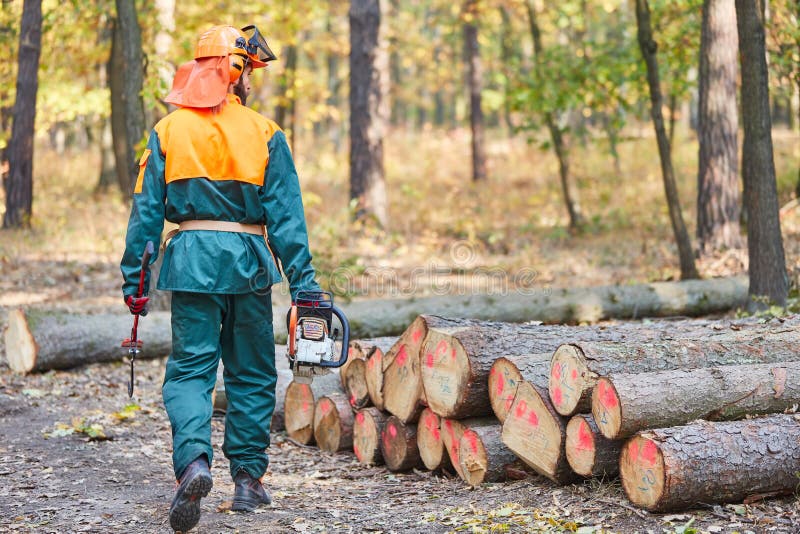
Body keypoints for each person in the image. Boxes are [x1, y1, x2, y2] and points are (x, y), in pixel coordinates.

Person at [120, 24, 320, 532]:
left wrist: (136, 282)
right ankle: (248, 482)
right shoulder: (265, 133)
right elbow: (287, 220)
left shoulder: (168, 131)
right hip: (250, 263)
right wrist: (305, 286)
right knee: (251, 373)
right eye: (248, 70)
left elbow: (145, 215)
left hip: (190, 262)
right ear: (234, 72)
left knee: (190, 371)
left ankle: (193, 463)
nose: (250, 79)